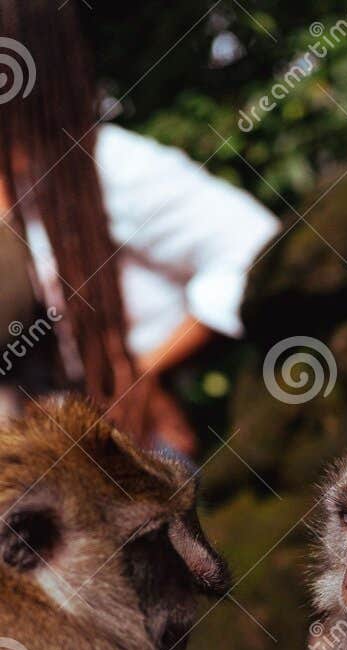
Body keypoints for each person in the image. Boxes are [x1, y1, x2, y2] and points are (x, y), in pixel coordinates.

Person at [0, 0, 279, 452]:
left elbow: (253, 244)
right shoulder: (14, 183)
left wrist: (144, 370)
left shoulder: (108, 166)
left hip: (130, 445)